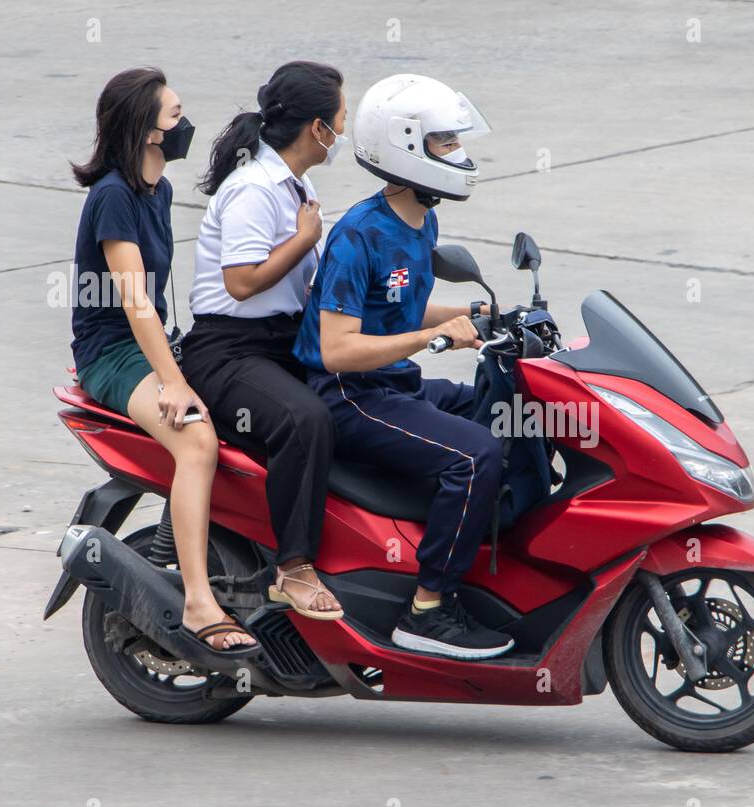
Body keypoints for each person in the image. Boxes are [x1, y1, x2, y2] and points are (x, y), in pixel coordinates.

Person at [292, 74, 513, 660]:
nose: (456, 154)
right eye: (442, 143)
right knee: (475, 455)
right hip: (352, 395)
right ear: (406, 145)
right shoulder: (358, 236)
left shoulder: (422, 219)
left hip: (394, 384)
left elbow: (402, 308)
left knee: (513, 413)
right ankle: (429, 609)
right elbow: (338, 348)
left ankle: (495, 564)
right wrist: (431, 335)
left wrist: (476, 312)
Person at [70, 68, 255, 651]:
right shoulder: (114, 198)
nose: (186, 125)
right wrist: (173, 384)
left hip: (154, 343)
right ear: (148, 132)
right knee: (196, 440)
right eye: (175, 116)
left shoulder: (160, 191)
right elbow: (135, 303)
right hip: (112, 354)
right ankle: (199, 603)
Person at [183, 62, 348, 621]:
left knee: (365, 397)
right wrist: (305, 239)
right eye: (340, 118)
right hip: (228, 350)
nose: (344, 131)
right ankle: (294, 568)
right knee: (305, 419)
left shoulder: (296, 182)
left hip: (282, 340)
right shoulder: (255, 188)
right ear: (316, 128)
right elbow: (242, 281)